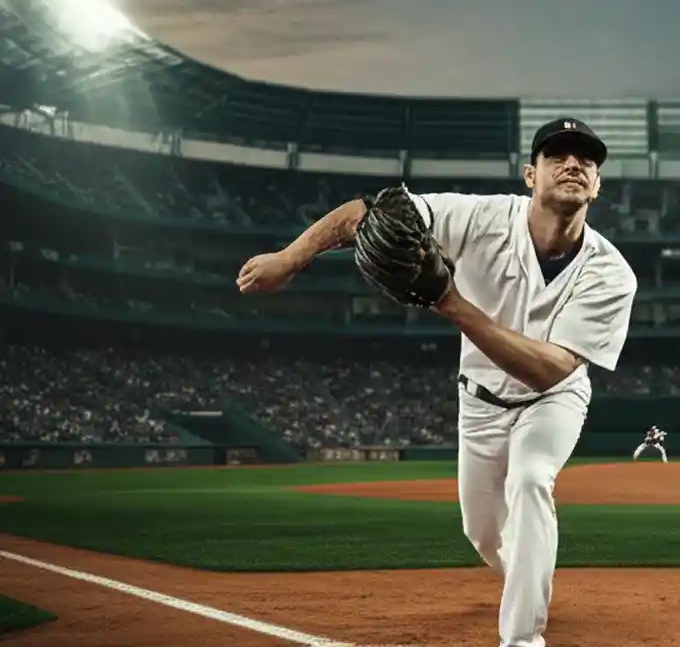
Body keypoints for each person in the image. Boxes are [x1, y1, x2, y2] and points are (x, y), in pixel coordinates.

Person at [236, 117, 638, 647]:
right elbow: (371, 213)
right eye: (557, 155)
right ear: (528, 175)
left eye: (586, 160)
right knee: (482, 533)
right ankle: (527, 573)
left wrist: (449, 302)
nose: (573, 165)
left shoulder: (611, 273)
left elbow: (546, 369)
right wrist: (290, 260)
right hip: (479, 402)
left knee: (532, 478)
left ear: (597, 184)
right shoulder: (480, 218)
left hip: (553, 398)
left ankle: (522, 638)